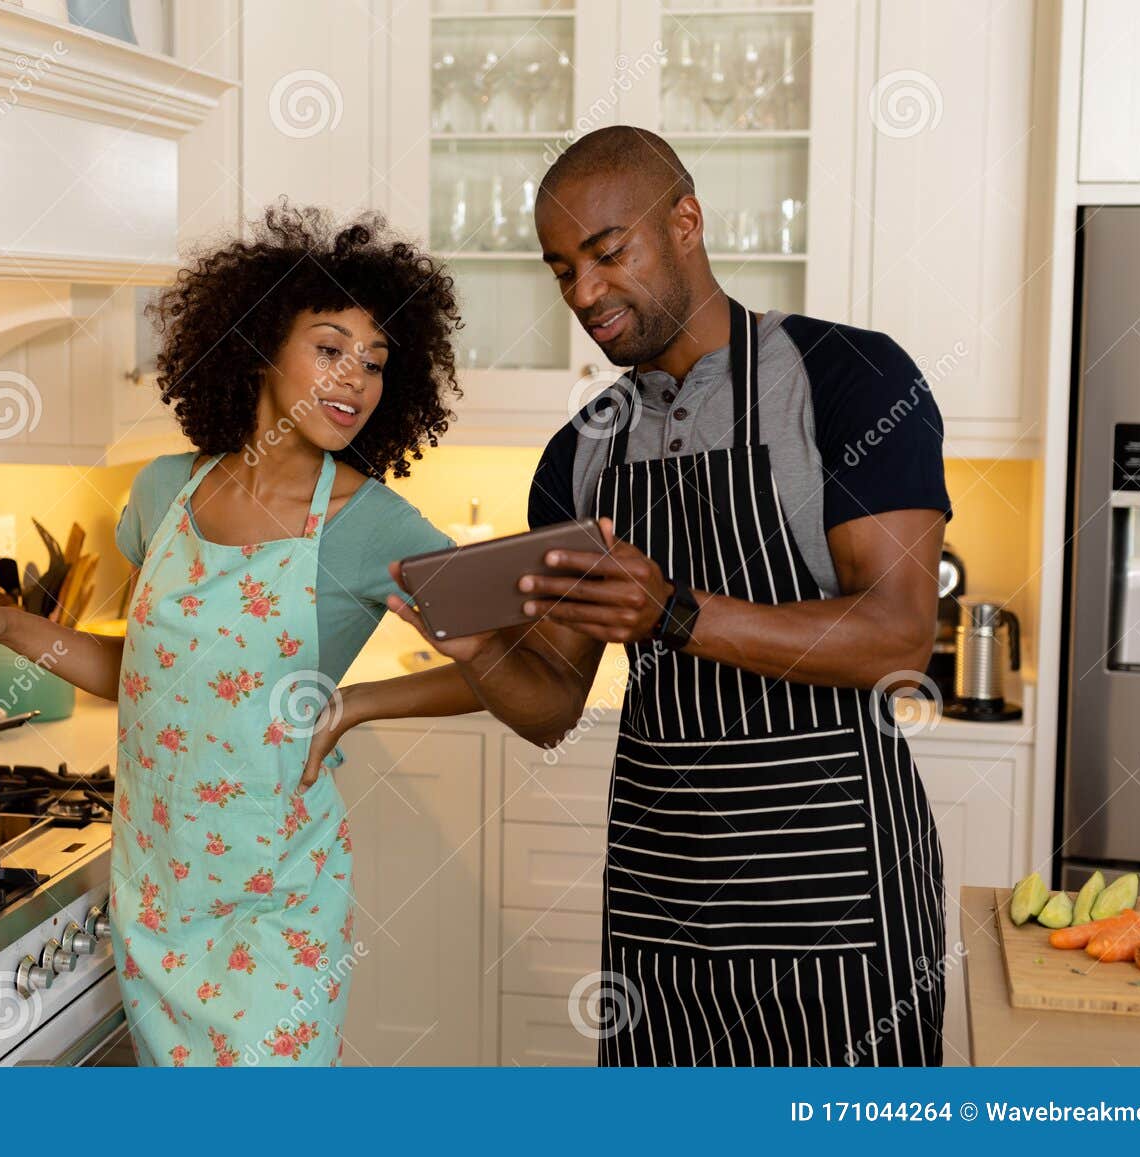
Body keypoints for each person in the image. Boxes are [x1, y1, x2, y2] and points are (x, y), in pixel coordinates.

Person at [387, 126, 952, 1066]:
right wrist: (484, 655)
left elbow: (897, 635)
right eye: (562, 270)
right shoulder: (582, 451)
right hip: (663, 907)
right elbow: (552, 707)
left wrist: (675, 613)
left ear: (686, 222)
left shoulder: (850, 377)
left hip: (837, 898)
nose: (585, 295)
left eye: (609, 254)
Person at [0, 205, 485, 1067]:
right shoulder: (164, 492)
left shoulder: (374, 524)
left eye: (376, 362)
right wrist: (6, 624)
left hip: (276, 910)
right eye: (331, 348)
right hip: (156, 894)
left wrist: (359, 704)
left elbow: (514, 667)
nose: (356, 380)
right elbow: (138, 673)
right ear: (260, 343)